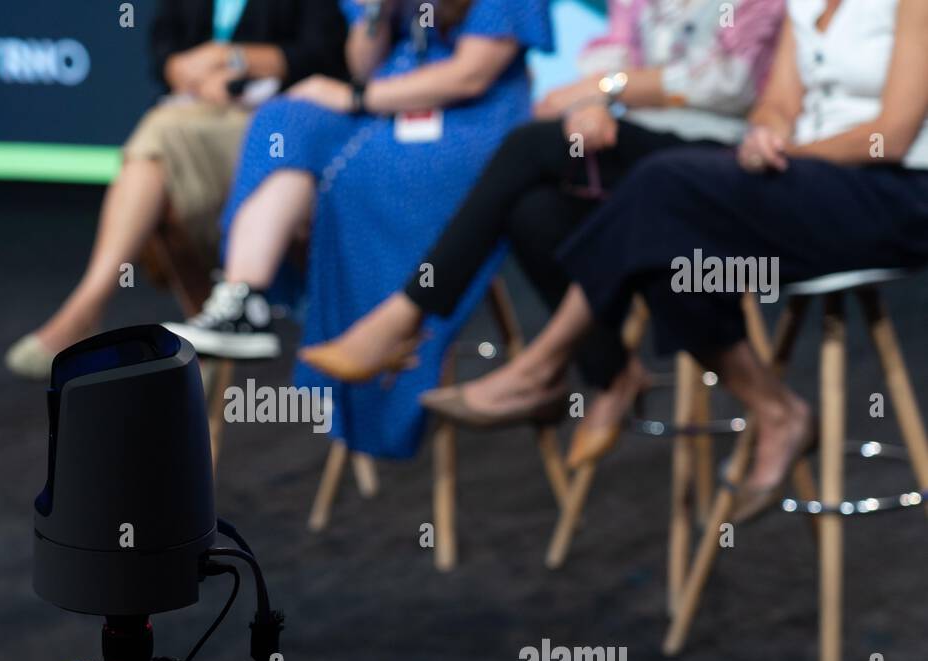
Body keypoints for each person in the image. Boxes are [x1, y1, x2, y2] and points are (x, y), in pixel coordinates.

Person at [394, 0, 928, 516]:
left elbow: (892, 135)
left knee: (661, 186)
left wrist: (784, 155)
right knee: (658, 241)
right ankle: (775, 409)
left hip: (892, 193)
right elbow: (776, 103)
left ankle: (542, 364)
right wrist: (767, 134)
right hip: (801, 176)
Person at [298, 0, 787, 468]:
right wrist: (597, 97)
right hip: (635, 139)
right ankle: (610, 369)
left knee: (529, 147)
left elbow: (728, 84)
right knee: (533, 211)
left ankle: (415, 317)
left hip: (720, 152)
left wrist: (604, 89)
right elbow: (607, 50)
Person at [164, 0, 555, 459]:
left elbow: (470, 76)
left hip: (469, 120)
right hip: (386, 108)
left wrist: (356, 98)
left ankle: (388, 336)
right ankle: (243, 298)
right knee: (284, 117)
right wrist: (375, 13)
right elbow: (362, 65)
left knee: (369, 172)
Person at [4, 0, 348, 379]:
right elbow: (163, 50)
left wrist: (232, 60)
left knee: (157, 139)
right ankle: (199, 327)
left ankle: (89, 307)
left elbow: (325, 56)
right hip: (193, 112)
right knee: (154, 157)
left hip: (279, 122)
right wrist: (192, 75)